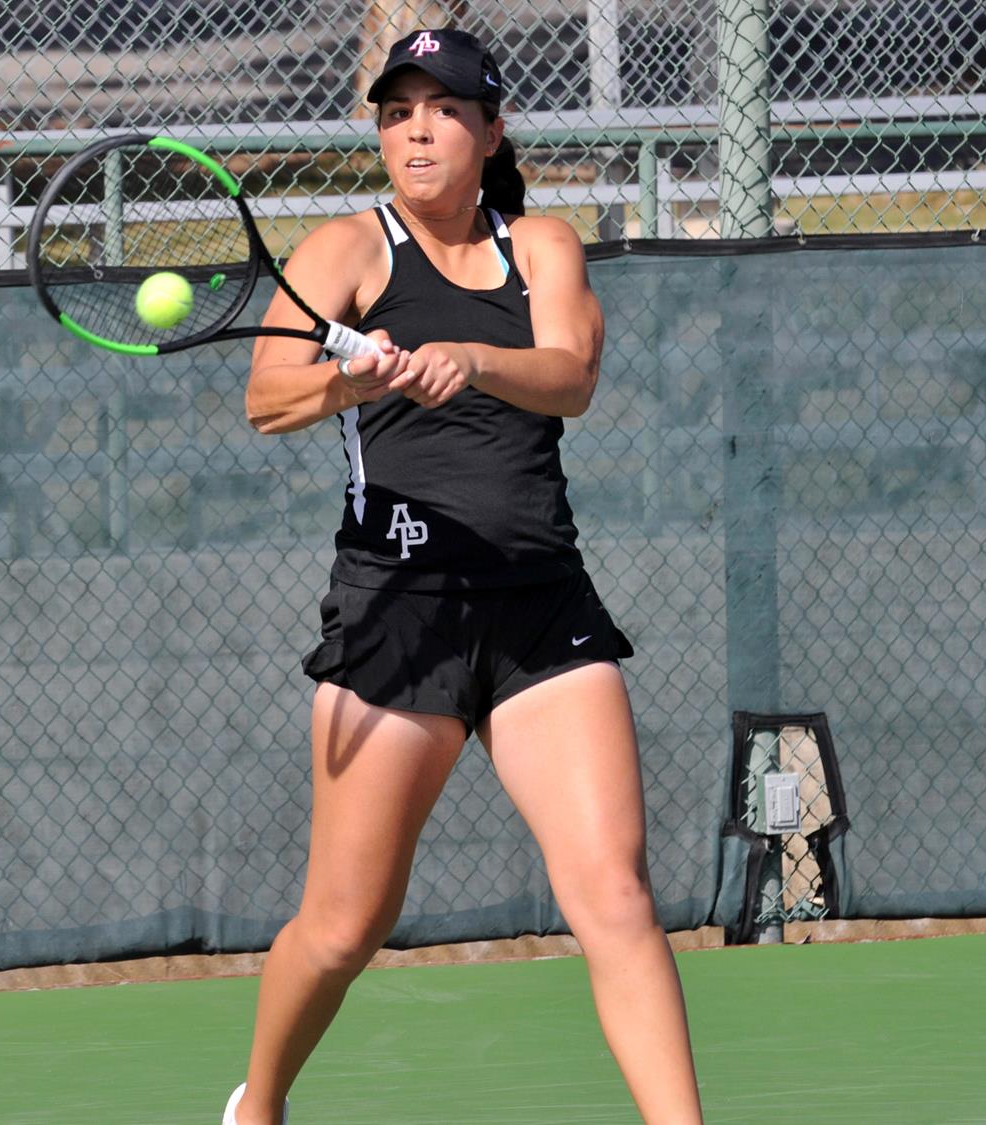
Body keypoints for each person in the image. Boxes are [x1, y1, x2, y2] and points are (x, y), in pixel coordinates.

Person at [227, 27, 702, 1125]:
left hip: (539, 607)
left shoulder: (538, 247)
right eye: (396, 113)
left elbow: (570, 374)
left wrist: (471, 358)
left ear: (490, 133)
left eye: (442, 110)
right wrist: (359, 381)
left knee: (616, 896)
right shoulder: (343, 250)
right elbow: (267, 399)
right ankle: (257, 1107)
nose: (417, 131)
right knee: (346, 925)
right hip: (399, 612)